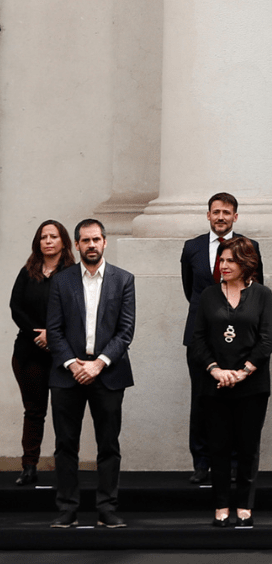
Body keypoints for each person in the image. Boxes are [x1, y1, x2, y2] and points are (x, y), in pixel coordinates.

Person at [45, 219, 135, 528]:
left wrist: (98, 364)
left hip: (108, 374)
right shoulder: (61, 281)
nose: (92, 245)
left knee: (108, 445)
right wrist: (73, 364)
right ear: (78, 245)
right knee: (65, 445)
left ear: (105, 242)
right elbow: (54, 331)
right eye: (85, 240)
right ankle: (67, 508)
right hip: (67, 374)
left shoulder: (123, 280)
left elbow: (125, 332)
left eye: (96, 239)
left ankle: (106, 508)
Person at [189, 237, 272, 528]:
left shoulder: (263, 295)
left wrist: (244, 371)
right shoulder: (208, 295)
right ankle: (222, 505)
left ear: (246, 263)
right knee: (219, 448)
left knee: (248, 447)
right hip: (214, 385)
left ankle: (245, 505)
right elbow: (198, 338)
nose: (223, 265)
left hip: (252, 385)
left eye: (230, 261)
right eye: (221, 260)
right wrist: (215, 370)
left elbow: (267, 338)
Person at [179, 192, 264, 484]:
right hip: (200, 338)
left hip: (240, 342)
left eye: (226, 212)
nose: (221, 217)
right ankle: (202, 463)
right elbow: (190, 289)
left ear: (235, 217)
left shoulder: (249, 248)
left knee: (237, 405)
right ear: (208, 215)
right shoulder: (192, 248)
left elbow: (256, 292)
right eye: (215, 212)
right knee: (202, 400)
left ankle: (232, 464)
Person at [9, 220, 75, 487]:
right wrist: (38, 335)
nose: (48, 241)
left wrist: (52, 334)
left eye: (53, 236)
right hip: (29, 352)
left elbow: (77, 310)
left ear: (63, 242)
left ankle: (64, 469)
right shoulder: (28, 272)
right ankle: (29, 466)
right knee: (34, 411)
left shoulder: (73, 273)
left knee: (63, 413)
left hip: (62, 355)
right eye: (43, 237)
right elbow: (16, 307)